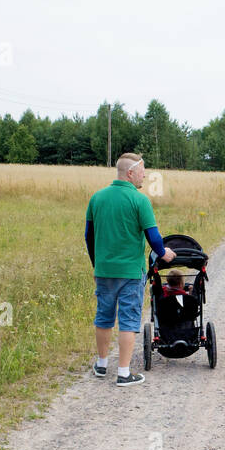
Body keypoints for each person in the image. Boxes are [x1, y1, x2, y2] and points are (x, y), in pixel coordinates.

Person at [85, 153, 175, 386]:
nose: (145, 175)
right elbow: (153, 236)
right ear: (130, 173)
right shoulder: (140, 200)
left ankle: (102, 365)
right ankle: (124, 373)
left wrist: (97, 265)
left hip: (104, 270)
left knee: (103, 317)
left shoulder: (97, 198)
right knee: (128, 320)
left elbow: (89, 237)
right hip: (130, 272)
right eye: (143, 171)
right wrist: (164, 252)